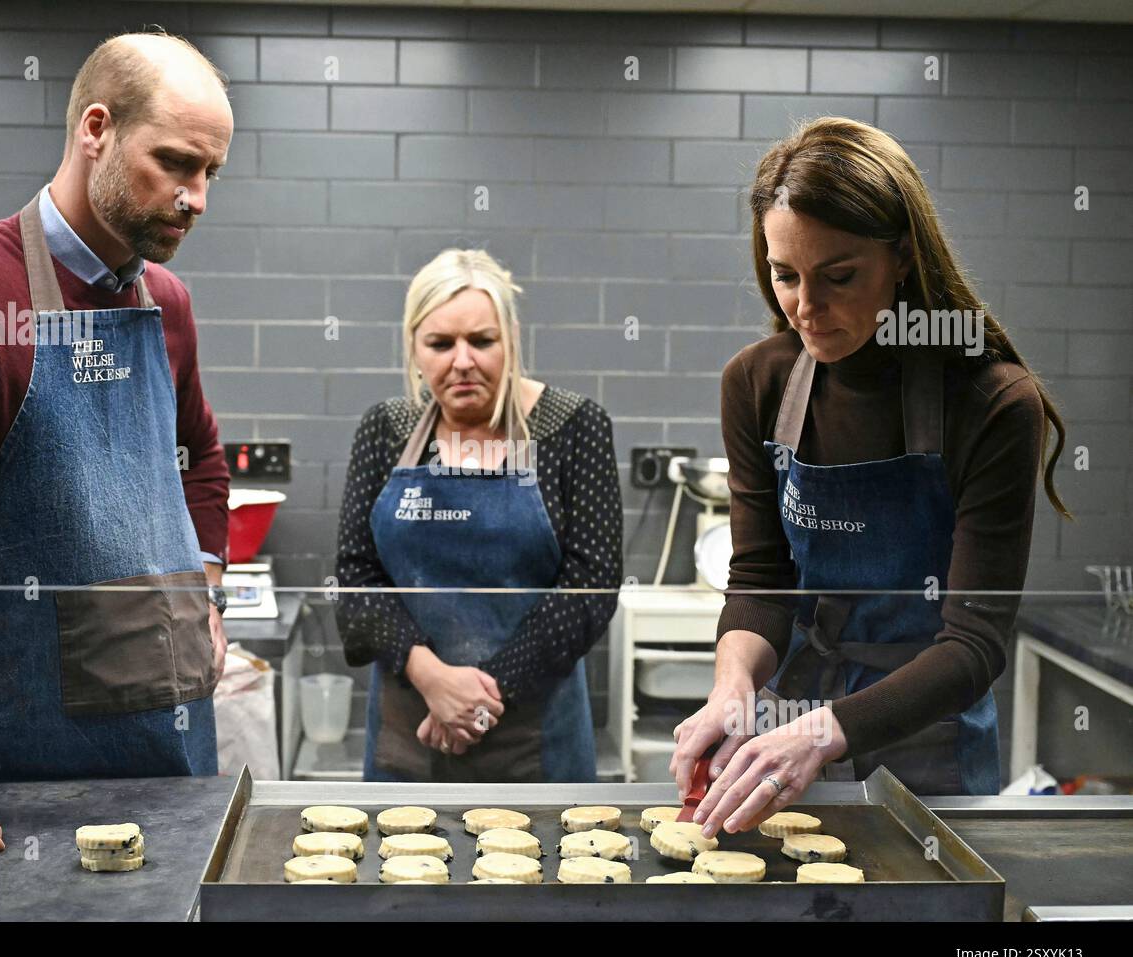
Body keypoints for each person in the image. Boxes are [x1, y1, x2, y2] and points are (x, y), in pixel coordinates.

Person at [0, 32, 235, 847]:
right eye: (173, 162)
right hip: (28, 776)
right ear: (96, 127)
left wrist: (206, 586)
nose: (196, 198)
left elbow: (200, 458)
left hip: (175, 752)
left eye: (210, 173)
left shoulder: (167, 301)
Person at [671, 117, 1070, 834]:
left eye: (839, 276)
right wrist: (733, 686)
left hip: (927, 747)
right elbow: (762, 580)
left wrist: (824, 733)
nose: (805, 308)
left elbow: (974, 644)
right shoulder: (756, 383)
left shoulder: (990, 402)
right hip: (782, 734)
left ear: (904, 257)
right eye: (783, 274)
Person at [336, 249, 623, 782]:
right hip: (412, 727)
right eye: (441, 344)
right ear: (414, 348)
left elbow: (591, 588)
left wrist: (482, 697)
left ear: (511, 338)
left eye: (482, 341)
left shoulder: (573, 426)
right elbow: (355, 582)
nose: (462, 361)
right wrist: (433, 679)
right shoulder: (387, 429)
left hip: (536, 737)